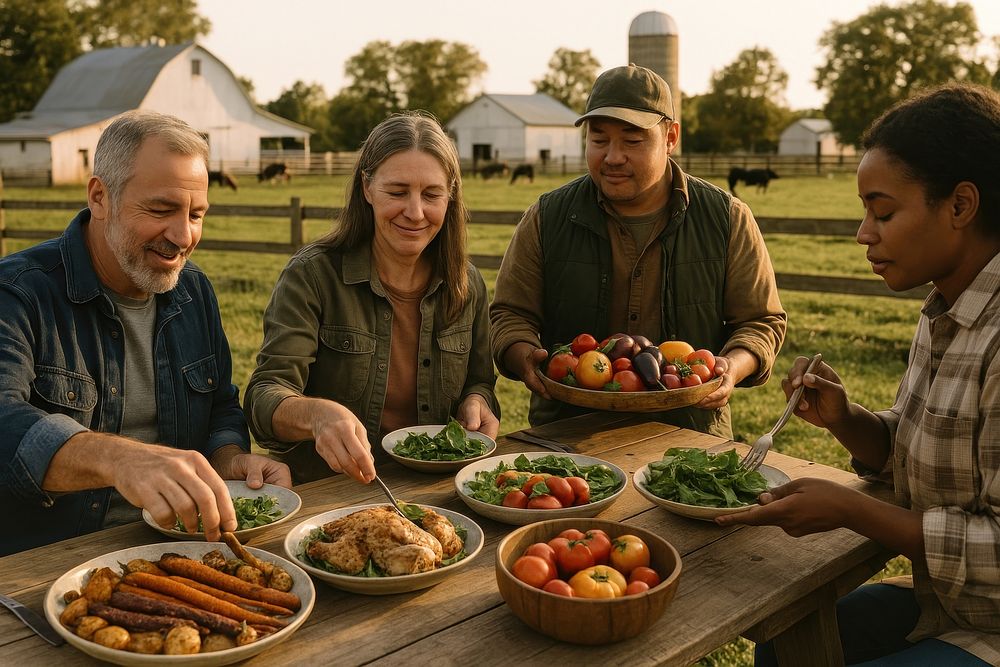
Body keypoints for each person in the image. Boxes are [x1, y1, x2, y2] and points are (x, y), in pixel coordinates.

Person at [719, 83, 1000, 666]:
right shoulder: (945, 308)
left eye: (884, 210)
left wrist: (852, 510)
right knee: (781, 647)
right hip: (947, 604)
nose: (863, 233)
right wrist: (848, 420)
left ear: (960, 205)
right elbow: (918, 453)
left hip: (990, 628)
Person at [0, 110, 290, 556]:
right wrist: (118, 458)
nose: (182, 236)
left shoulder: (195, 292)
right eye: (160, 210)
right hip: (50, 562)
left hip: (182, 552)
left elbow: (220, 408)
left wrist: (230, 459)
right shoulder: (17, 293)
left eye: (197, 214)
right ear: (100, 197)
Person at [490, 64, 786, 437]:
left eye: (632, 141)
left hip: (689, 435)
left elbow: (761, 321)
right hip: (569, 436)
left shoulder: (727, 217)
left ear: (671, 137)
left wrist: (732, 367)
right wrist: (524, 357)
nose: (613, 157)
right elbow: (510, 313)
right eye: (599, 140)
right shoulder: (547, 216)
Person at [244, 111, 500, 485]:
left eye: (431, 195)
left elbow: (480, 383)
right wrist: (318, 416)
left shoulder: (467, 283)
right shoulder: (313, 275)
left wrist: (477, 404)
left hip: (433, 489)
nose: (414, 213)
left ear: (451, 196)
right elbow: (263, 397)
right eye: (397, 192)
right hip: (328, 491)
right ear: (367, 188)